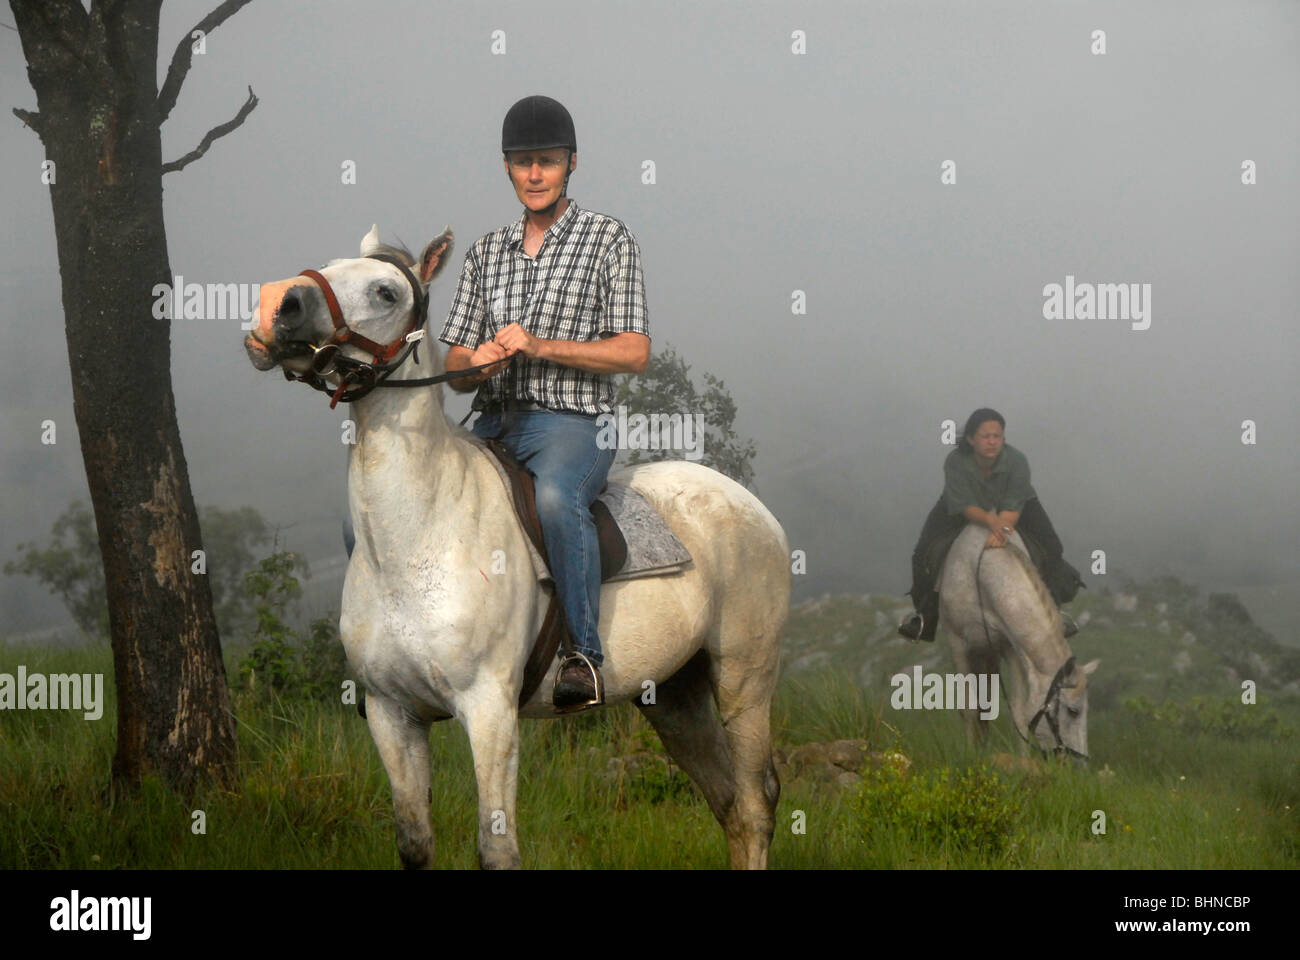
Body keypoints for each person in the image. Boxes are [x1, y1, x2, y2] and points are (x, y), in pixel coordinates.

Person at [439, 95, 651, 709]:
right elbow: (452, 364)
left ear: (571, 164)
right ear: (507, 167)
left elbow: (633, 351)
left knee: (558, 499)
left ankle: (583, 656)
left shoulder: (609, 240)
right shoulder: (483, 253)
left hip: (574, 423)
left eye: (547, 162)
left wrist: (540, 347)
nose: (534, 174)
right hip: (493, 425)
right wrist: (471, 362)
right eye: (523, 162)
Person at [899, 408, 1083, 642]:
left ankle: (1054, 613)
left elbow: (1014, 504)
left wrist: (1002, 529)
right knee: (922, 552)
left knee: (1053, 546)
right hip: (964, 504)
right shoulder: (955, 462)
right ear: (970, 438)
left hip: (1016, 504)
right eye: (986, 436)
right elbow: (965, 506)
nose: (992, 441)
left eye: (997, 436)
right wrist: (993, 523)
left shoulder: (1017, 460)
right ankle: (925, 617)